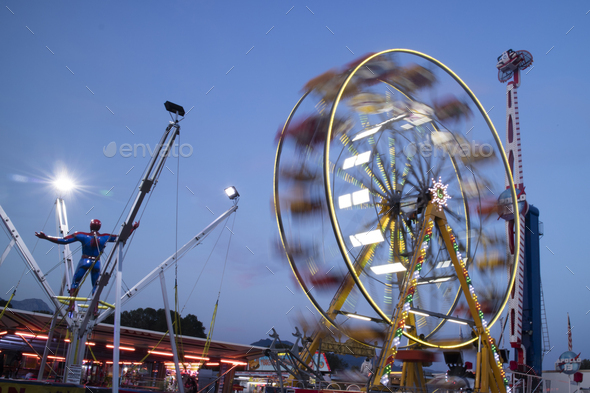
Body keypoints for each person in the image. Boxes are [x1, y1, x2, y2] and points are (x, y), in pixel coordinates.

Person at [35, 219, 139, 311]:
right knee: (95, 286)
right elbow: (122, 237)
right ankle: (95, 308)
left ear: (90, 226)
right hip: (96, 262)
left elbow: (64, 240)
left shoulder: (82, 235)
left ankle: (71, 305)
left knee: (75, 282)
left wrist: (46, 237)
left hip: (85, 260)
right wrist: (133, 228)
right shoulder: (104, 237)